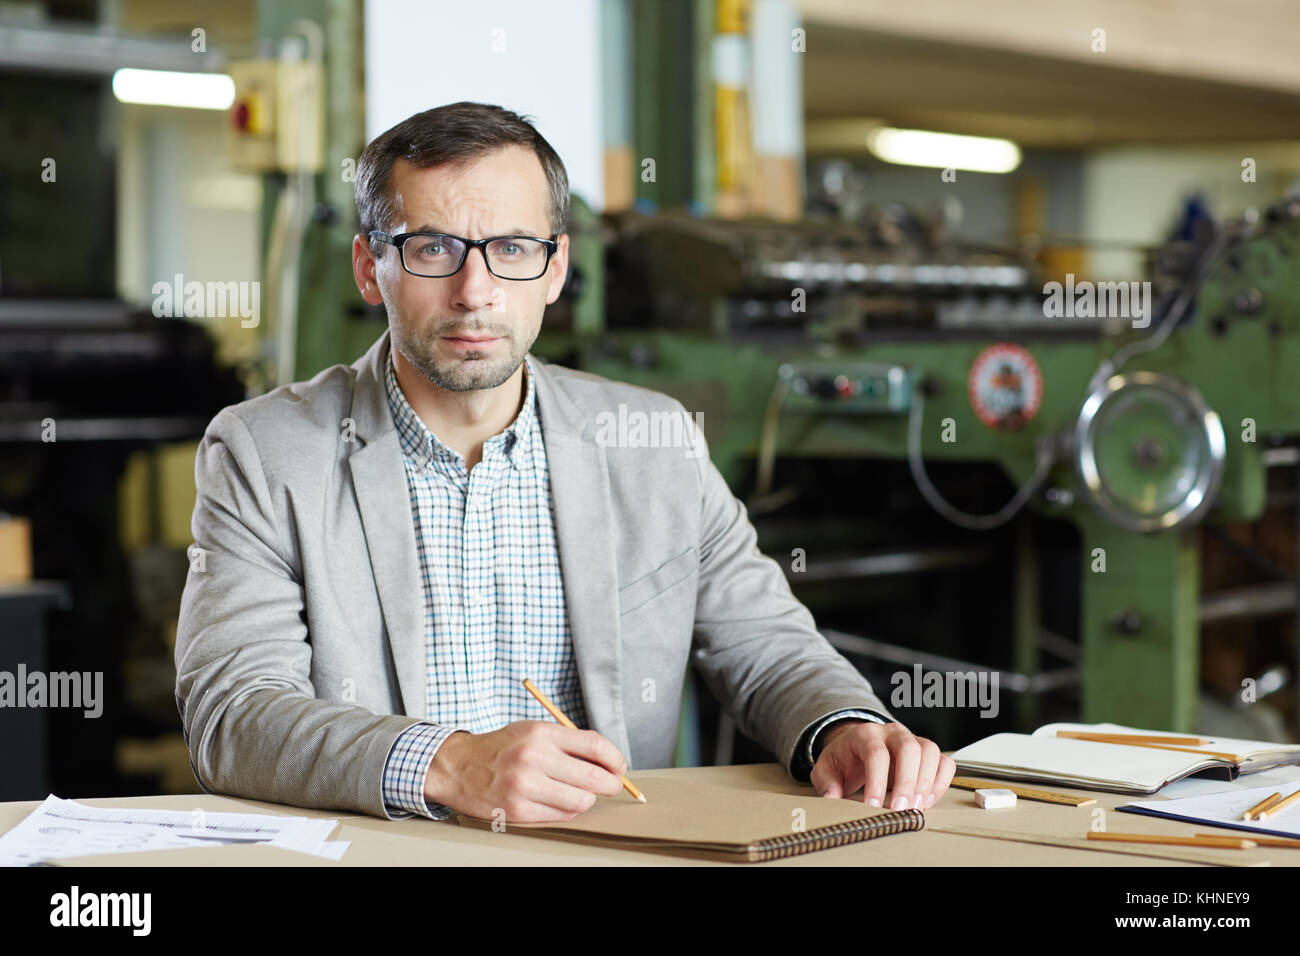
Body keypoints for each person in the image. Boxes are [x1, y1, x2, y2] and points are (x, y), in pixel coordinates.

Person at [175, 101, 955, 823]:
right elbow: (233, 712)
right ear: (367, 267)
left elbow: (766, 646)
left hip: (608, 854)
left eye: (512, 248)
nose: (475, 291)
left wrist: (844, 726)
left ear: (554, 268)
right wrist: (446, 766)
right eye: (432, 248)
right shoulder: (266, 453)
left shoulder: (653, 445)